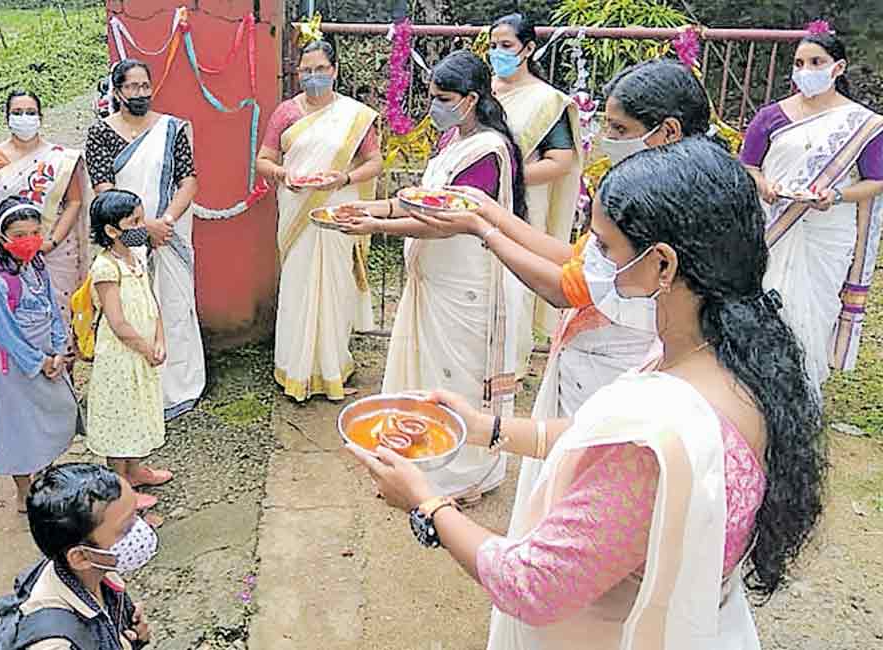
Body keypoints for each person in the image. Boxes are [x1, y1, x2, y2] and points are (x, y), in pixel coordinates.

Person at [354, 138, 826, 650]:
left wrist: (424, 503)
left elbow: (529, 584)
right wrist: (484, 428)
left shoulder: (656, 436)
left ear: (663, 266)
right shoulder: (730, 357)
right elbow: (596, 440)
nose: (586, 259)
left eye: (602, 248)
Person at [406, 59, 719, 642]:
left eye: (619, 129)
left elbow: (568, 284)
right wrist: (491, 213)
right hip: (595, 370)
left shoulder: (659, 211)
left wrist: (486, 230)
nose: (603, 138)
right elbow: (577, 259)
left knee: (590, 527)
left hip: (614, 371)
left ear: (668, 132)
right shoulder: (665, 193)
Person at [338, 50, 529, 503]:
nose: (435, 106)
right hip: (434, 282)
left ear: (471, 99)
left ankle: (467, 476)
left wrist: (377, 225)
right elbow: (423, 200)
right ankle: (422, 463)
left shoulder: (488, 150)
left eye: (443, 98)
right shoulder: (452, 141)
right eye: (431, 96)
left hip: (466, 285)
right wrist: (376, 207)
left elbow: (447, 219)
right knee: (428, 375)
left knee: (459, 380)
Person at [740, 30, 883, 395]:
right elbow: (748, 165)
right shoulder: (771, 116)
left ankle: (804, 391)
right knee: (765, 300)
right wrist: (764, 186)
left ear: (838, 68)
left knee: (815, 309)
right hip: (773, 224)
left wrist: (835, 195)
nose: (806, 70)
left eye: (816, 63)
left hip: (828, 229)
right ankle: (757, 390)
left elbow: (876, 181)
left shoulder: (863, 124)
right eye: (800, 64)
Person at [255, 40, 382, 402]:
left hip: (338, 212)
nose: (313, 77)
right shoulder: (285, 114)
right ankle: (294, 369)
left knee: (335, 288)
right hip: (297, 211)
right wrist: (284, 176)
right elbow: (263, 160)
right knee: (298, 286)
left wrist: (344, 179)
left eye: (320, 69)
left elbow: (374, 162)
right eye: (306, 70)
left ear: (335, 70)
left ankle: (332, 367)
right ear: (298, 73)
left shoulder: (354, 116)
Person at [85, 59, 204, 420]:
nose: (139, 93)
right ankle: (137, 395)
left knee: (173, 308)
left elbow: (189, 180)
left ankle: (178, 389)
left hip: (169, 236)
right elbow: (104, 192)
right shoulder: (100, 134)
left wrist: (164, 222)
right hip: (123, 240)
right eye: (131, 87)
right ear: (117, 91)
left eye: (144, 86)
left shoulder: (170, 129)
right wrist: (140, 228)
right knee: (132, 314)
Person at [489, 13, 583, 346]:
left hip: (523, 204)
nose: (498, 53)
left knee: (514, 280)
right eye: (493, 46)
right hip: (479, 199)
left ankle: (510, 362)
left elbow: (560, 161)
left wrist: (506, 178)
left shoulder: (546, 101)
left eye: (506, 46)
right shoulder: (482, 92)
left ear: (527, 49)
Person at [0, 197, 79, 510]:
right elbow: (4, 333)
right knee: (19, 427)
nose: (29, 241)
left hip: (50, 357)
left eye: (35, 233)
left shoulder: (38, 266)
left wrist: (60, 349)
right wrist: (38, 363)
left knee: (57, 413)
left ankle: (48, 474)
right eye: (20, 235)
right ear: (2, 238)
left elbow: (53, 310)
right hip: (17, 367)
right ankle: (23, 491)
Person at [0, 89, 90, 332]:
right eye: (17, 113)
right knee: (15, 313)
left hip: (56, 250)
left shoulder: (60, 159)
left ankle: (63, 364)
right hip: (10, 250)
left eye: (30, 112)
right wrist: (4, 239)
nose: (24, 117)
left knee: (62, 313)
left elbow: (74, 202)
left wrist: (52, 241)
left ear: (41, 117)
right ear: (7, 117)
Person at [87, 191, 169, 511]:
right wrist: (147, 348)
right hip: (122, 356)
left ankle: (135, 469)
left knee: (138, 412)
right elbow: (118, 322)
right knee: (120, 419)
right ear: (111, 231)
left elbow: (152, 300)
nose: (140, 226)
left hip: (142, 351)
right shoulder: (106, 268)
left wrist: (160, 338)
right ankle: (121, 486)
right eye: (133, 222)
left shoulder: (136, 257)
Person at [23, 463, 155, 650]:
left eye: (137, 514)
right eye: (126, 529)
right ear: (80, 558)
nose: (141, 529)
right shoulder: (55, 644)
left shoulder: (99, 572)